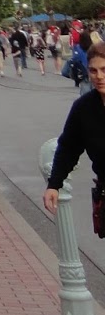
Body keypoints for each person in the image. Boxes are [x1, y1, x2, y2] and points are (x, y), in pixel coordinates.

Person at [43, 41, 105, 226]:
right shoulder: (83, 108)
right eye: (93, 71)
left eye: (104, 69)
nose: (99, 76)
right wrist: (54, 184)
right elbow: (68, 148)